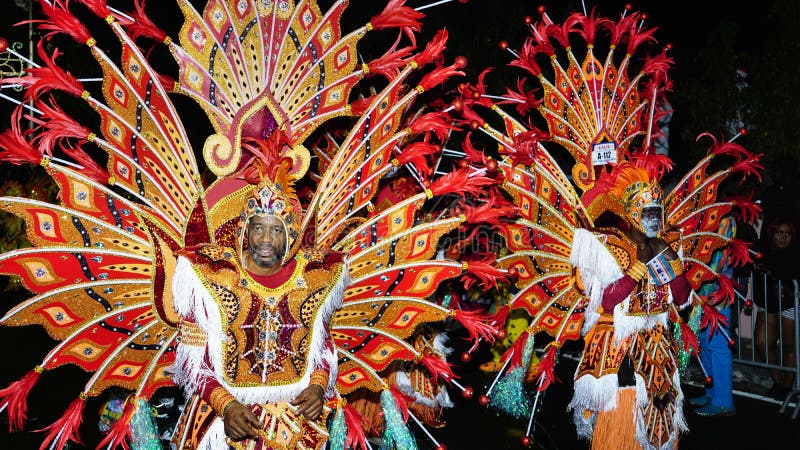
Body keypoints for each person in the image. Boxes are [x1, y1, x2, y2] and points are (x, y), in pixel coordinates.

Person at [168, 167, 346, 450]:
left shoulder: (317, 276)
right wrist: (226, 406)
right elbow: (193, 362)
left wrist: (317, 386)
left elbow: (323, 346)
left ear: (291, 234)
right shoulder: (209, 274)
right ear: (245, 230)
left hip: (297, 419)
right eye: (258, 227)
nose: (265, 240)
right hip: (220, 418)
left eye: (276, 229)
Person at [571, 165, 691, 450]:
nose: (655, 220)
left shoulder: (667, 245)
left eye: (657, 212)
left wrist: (672, 262)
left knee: (660, 408)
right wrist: (637, 268)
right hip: (620, 342)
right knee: (623, 411)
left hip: (658, 344)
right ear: (633, 213)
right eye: (648, 213)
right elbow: (606, 300)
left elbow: (683, 297)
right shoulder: (611, 245)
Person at [687, 215, 737, 416]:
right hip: (700, 298)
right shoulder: (702, 216)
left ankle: (724, 401)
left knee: (718, 348)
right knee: (706, 347)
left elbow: (715, 262)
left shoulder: (726, 220)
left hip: (717, 298)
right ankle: (711, 394)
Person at [752, 217, 798, 400]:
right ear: (772, 234)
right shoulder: (762, 253)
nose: (784, 238)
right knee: (761, 342)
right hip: (768, 303)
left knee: (789, 346)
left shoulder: (794, 254)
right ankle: (778, 382)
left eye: (788, 234)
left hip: (789, 304)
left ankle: (787, 387)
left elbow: (787, 274)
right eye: (780, 233)